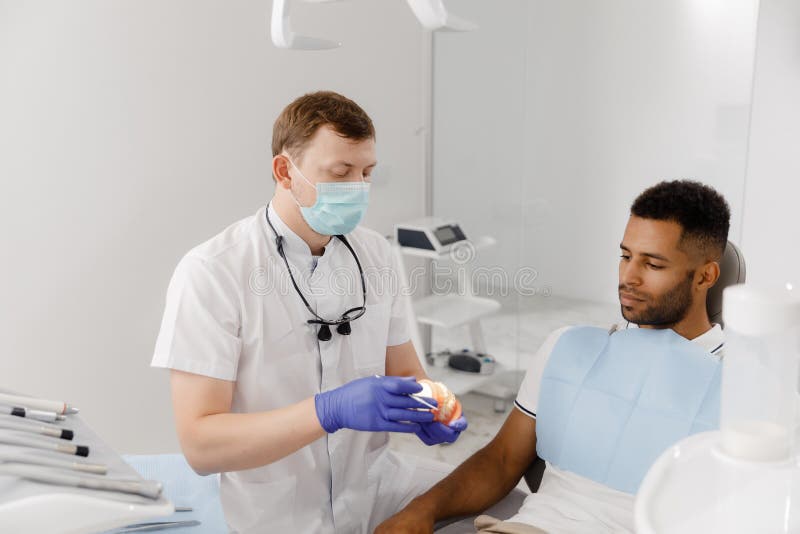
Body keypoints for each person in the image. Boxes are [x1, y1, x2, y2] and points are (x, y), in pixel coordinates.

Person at [151, 91, 466, 533]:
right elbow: (201, 446)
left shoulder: (375, 254)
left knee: (506, 504)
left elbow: (410, 375)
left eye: (367, 173)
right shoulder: (213, 272)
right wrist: (326, 411)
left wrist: (435, 406)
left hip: (378, 491)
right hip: (279, 514)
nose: (358, 187)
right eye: (341, 173)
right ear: (285, 171)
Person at [377, 180, 731, 534]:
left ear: (705, 276)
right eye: (625, 256)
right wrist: (421, 510)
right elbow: (501, 460)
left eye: (652, 265)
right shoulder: (569, 349)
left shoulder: (741, 388)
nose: (629, 277)